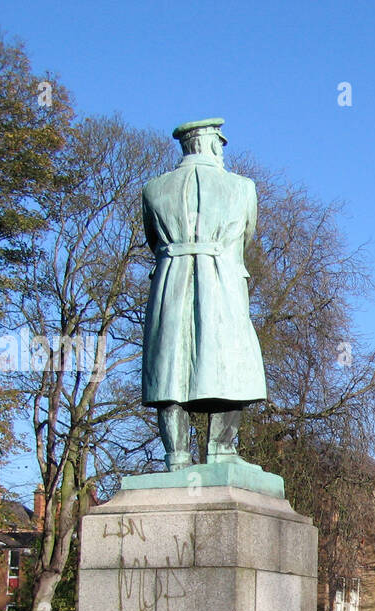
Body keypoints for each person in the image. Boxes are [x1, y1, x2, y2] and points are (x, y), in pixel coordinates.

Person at [141, 118, 266, 471]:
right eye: (221, 144)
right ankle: (221, 449)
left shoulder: (154, 189)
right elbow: (246, 236)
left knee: (169, 367)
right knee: (232, 364)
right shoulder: (242, 188)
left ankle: (176, 455)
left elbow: (153, 240)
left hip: (170, 282)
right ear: (212, 144)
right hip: (222, 281)